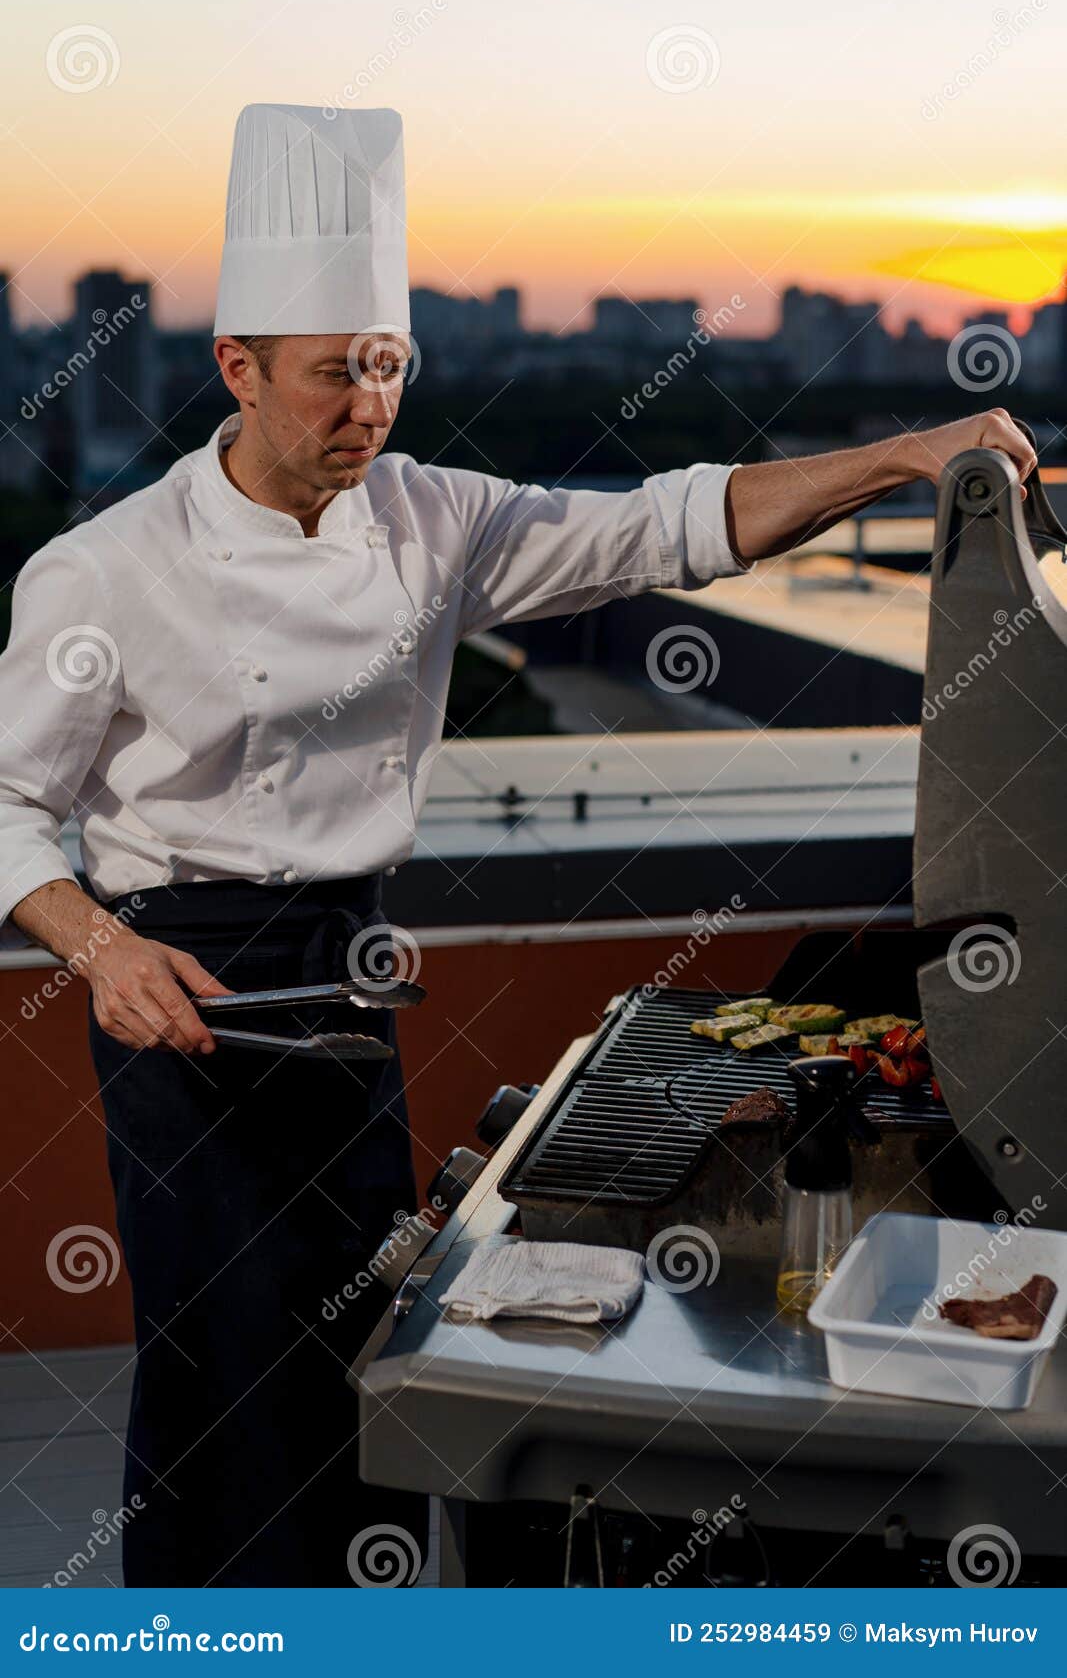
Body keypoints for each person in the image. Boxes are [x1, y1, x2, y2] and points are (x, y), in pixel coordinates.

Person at [0, 102, 1037, 1586]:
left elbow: (666, 527)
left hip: (344, 965)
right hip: (185, 977)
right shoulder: (100, 569)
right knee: (215, 1359)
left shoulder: (434, 518)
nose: (369, 404)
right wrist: (96, 946)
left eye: (389, 365)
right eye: (333, 374)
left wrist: (900, 456)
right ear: (234, 369)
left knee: (347, 1338)